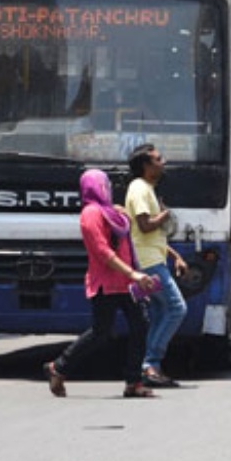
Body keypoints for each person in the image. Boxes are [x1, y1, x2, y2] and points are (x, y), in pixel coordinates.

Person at [44, 169, 156, 398]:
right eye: (104, 184)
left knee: (141, 325)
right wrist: (133, 273)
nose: (108, 188)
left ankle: (133, 382)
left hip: (126, 283)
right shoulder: (91, 214)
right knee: (101, 333)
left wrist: (123, 216)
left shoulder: (110, 212)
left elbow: (125, 242)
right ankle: (59, 366)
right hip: (106, 283)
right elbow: (102, 251)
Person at [126, 143, 189, 387]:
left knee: (161, 312)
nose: (163, 163)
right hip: (148, 263)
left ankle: (150, 365)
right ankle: (150, 363)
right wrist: (165, 215)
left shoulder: (147, 189)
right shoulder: (140, 189)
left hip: (153, 257)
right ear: (145, 166)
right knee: (176, 308)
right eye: (158, 159)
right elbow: (144, 225)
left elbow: (153, 236)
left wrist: (176, 256)